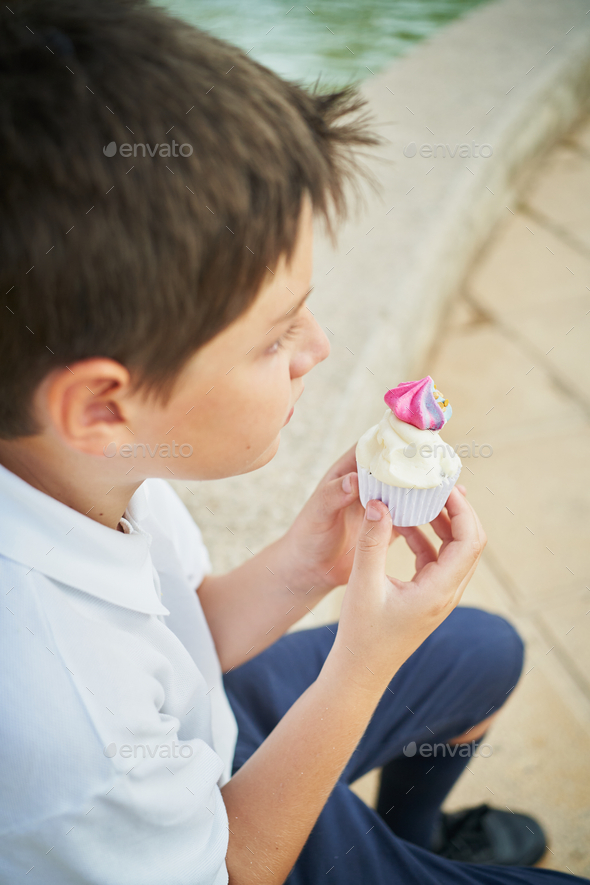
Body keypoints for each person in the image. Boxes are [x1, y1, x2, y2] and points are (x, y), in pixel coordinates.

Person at [0, 1, 586, 883]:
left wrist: (307, 560)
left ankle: (412, 838)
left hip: (206, 726)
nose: (318, 348)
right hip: (230, 847)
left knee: (486, 650)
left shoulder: (85, 468)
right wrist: (362, 665)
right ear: (103, 405)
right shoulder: (63, 717)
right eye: (276, 336)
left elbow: (185, 624)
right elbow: (233, 870)